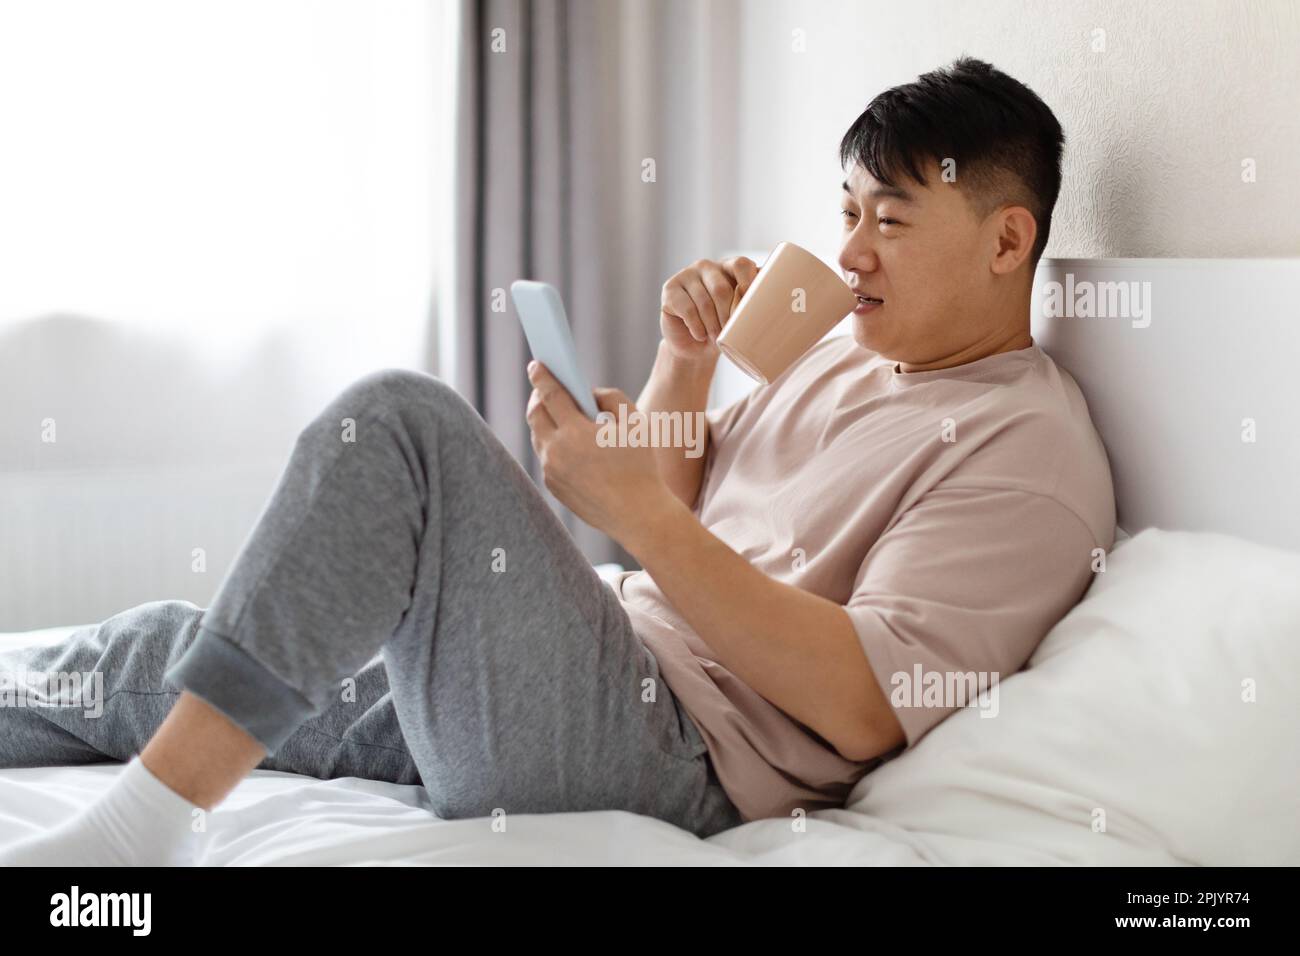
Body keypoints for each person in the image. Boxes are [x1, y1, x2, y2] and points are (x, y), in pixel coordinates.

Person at [0, 56, 1113, 866]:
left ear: (1007, 238)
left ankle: (137, 833)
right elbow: (692, 502)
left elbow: (870, 703)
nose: (848, 251)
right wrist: (683, 364)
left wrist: (637, 519)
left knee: (404, 425)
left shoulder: (1027, 448)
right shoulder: (847, 359)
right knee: (157, 649)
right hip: (604, 653)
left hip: (671, 750)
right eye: (846, 210)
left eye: (891, 220)